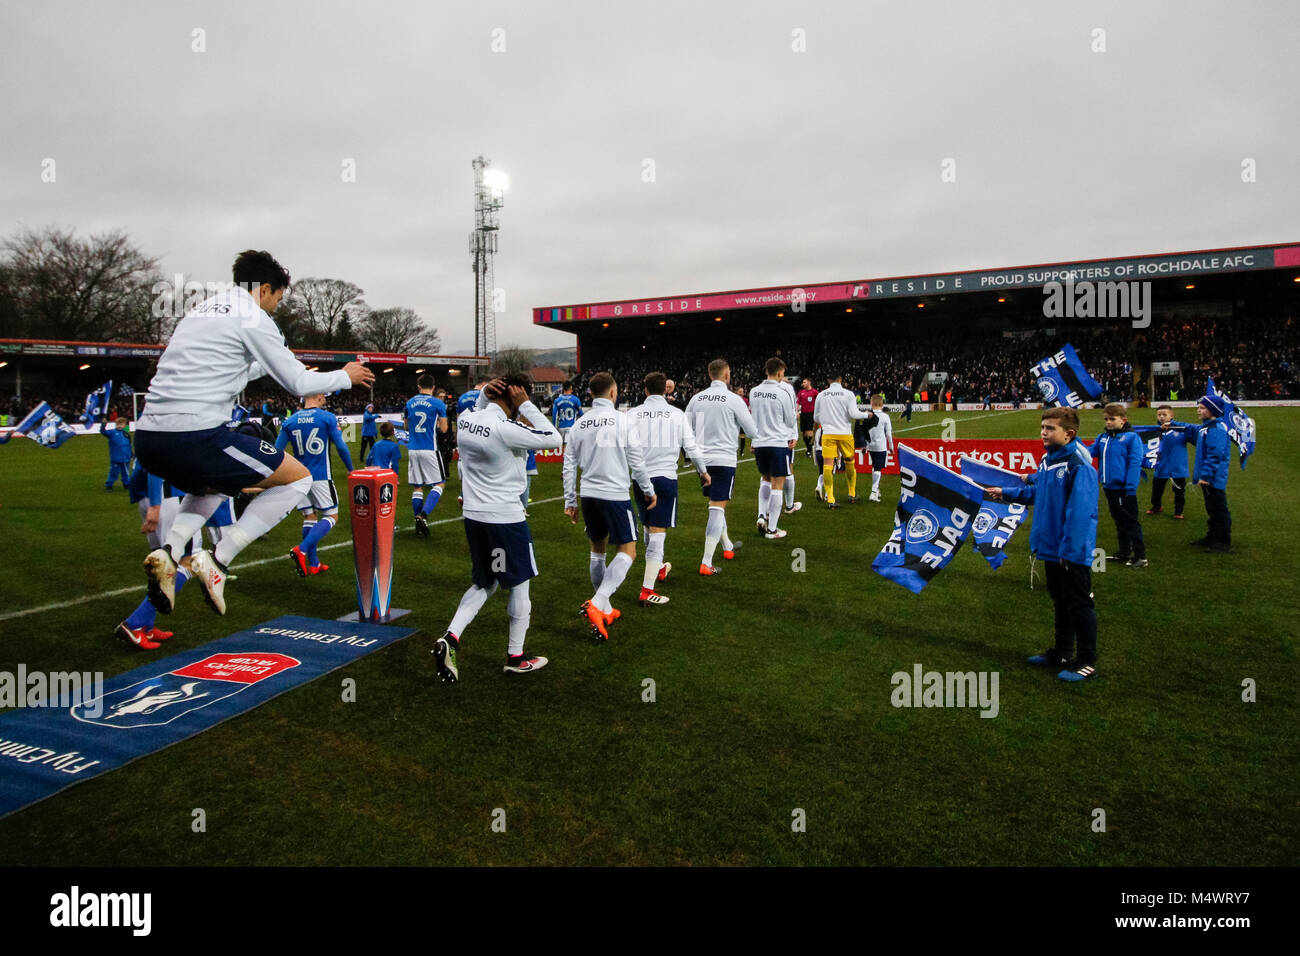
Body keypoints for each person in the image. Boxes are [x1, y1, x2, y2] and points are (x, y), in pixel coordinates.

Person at [133, 249, 373, 616]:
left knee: (214, 483)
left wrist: (269, 367)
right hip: (194, 434)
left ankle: (169, 550)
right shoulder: (253, 317)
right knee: (298, 480)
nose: (275, 307)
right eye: (277, 298)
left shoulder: (199, 313)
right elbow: (297, 382)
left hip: (149, 438)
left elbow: (232, 371)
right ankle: (219, 560)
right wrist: (346, 376)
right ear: (263, 289)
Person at [432, 375, 561, 682]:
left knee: (486, 581)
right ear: (514, 396)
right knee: (520, 583)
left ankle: (450, 639)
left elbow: (477, 411)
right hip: (505, 519)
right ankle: (515, 657)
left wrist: (481, 397)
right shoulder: (507, 428)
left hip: (474, 516)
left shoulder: (466, 418)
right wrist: (527, 405)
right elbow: (554, 438)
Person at [985, 407, 1100, 682]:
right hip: (1051, 546)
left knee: (1079, 603)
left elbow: (1080, 513)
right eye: (1043, 427)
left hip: (1069, 551)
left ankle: (1087, 661)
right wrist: (1007, 493)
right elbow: (1039, 492)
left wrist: (1069, 551)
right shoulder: (1048, 461)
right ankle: (1061, 652)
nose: (1043, 433)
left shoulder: (1077, 463)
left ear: (1069, 433)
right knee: (1061, 601)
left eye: (1050, 428)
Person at [564, 371, 656, 638]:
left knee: (597, 551)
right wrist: (649, 491)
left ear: (591, 394)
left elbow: (569, 466)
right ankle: (597, 601)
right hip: (615, 494)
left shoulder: (579, 424)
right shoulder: (623, 421)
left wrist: (571, 500)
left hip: (589, 495)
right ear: (613, 393)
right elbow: (637, 462)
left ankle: (603, 607)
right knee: (628, 551)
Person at [629, 371, 709, 606]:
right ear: (666, 390)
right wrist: (703, 471)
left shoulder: (632, 414)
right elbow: (691, 447)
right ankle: (647, 590)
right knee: (658, 532)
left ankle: (659, 568)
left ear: (645, 390)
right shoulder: (676, 414)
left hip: (639, 478)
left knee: (648, 525)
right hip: (664, 477)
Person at [685, 358, 757, 575]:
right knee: (717, 507)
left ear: (710, 375)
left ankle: (727, 546)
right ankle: (706, 562)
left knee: (717, 503)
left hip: (702, 461)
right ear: (727, 375)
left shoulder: (696, 399)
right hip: (724, 459)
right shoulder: (734, 399)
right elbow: (752, 431)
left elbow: (686, 430)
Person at [277, 392, 354, 576]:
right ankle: (301, 549)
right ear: (318, 396)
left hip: (298, 478)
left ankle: (314, 563)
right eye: (324, 395)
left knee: (310, 517)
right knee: (331, 516)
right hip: (320, 476)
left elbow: (277, 451)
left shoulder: (290, 421)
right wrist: (351, 468)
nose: (326, 399)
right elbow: (341, 446)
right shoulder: (327, 417)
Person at [1091, 402, 1147, 567]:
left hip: (1124, 489)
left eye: (1112, 419)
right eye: (1106, 419)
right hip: (1109, 488)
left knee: (1130, 521)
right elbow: (1090, 451)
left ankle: (1140, 556)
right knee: (1119, 520)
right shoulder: (1103, 438)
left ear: (1123, 420)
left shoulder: (1131, 438)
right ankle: (1124, 552)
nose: (1108, 422)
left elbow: (1135, 463)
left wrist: (1130, 488)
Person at [749, 357, 798, 540]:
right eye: (783, 373)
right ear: (779, 372)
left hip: (760, 443)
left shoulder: (754, 391)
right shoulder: (783, 392)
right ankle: (772, 529)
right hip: (777, 443)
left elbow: (752, 416)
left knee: (765, 479)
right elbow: (791, 420)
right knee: (778, 484)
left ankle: (762, 515)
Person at [813, 373, 871, 508]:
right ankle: (851, 493)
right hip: (845, 433)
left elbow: (816, 418)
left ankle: (831, 500)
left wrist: (827, 422)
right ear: (840, 380)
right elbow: (854, 414)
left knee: (827, 465)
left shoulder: (821, 395)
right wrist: (867, 414)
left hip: (828, 434)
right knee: (850, 462)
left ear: (828, 380)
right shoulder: (848, 394)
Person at [405, 373, 449, 538]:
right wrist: (437, 424)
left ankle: (418, 523)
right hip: (429, 448)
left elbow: (406, 427)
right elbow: (444, 429)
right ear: (434, 387)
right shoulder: (438, 403)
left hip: (413, 449)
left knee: (418, 486)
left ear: (418, 386)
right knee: (440, 483)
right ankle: (423, 515)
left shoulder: (410, 402)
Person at [1189, 393, 1233, 553]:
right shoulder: (1206, 427)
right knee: (1212, 509)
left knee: (1219, 509)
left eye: (1202, 408)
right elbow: (1190, 428)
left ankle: (1223, 541)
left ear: (1213, 410)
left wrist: (1206, 476)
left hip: (1213, 478)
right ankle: (1213, 536)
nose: (1198, 411)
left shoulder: (1216, 429)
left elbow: (1215, 455)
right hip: (1209, 477)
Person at [1147, 404, 1190, 519]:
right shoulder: (1155, 432)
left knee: (1179, 491)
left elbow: (1194, 431)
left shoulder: (1181, 431)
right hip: (1161, 466)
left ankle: (1178, 511)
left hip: (1177, 466)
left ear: (1171, 416)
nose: (1161, 417)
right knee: (1157, 489)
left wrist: (1175, 426)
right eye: (1159, 415)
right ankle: (1156, 506)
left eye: (1164, 414)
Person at [864, 394, 893, 502]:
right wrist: (891, 446)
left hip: (870, 445)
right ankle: (873, 492)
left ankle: (877, 490)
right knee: (878, 468)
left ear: (871, 403)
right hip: (881, 446)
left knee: (875, 466)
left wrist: (864, 445)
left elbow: (863, 431)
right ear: (882, 404)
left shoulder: (867, 415)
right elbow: (888, 433)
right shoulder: (885, 416)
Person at [101, 418, 133, 490]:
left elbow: (129, 445)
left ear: (125, 425)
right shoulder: (112, 433)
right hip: (116, 458)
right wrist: (103, 424)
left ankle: (126, 484)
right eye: (118, 424)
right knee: (114, 472)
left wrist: (131, 454)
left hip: (125, 458)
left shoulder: (126, 434)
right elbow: (103, 432)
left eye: (121, 424)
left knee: (126, 472)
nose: (119, 426)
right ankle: (109, 485)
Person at [551, 382, 583, 449]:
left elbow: (554, 415)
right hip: (571, 427)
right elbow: (581, 414)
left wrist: (554, 427)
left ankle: (563, 458)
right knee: (568, 448)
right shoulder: (575, 399)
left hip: (561, 427)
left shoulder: (557, 400)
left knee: (562, 447)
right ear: (570, 388)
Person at [796, 378, 819, 457]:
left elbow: (819, 402)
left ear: (809, 382)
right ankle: (809, 447)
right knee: (803, 433)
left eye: (804, 382)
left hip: (811, 414)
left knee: (810, 432)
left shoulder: (815, 392)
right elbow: (798, 402)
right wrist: (797, 412)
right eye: (803, 382)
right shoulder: (801, 392)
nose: (803, 383)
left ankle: (809, 450)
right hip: (803, 414)